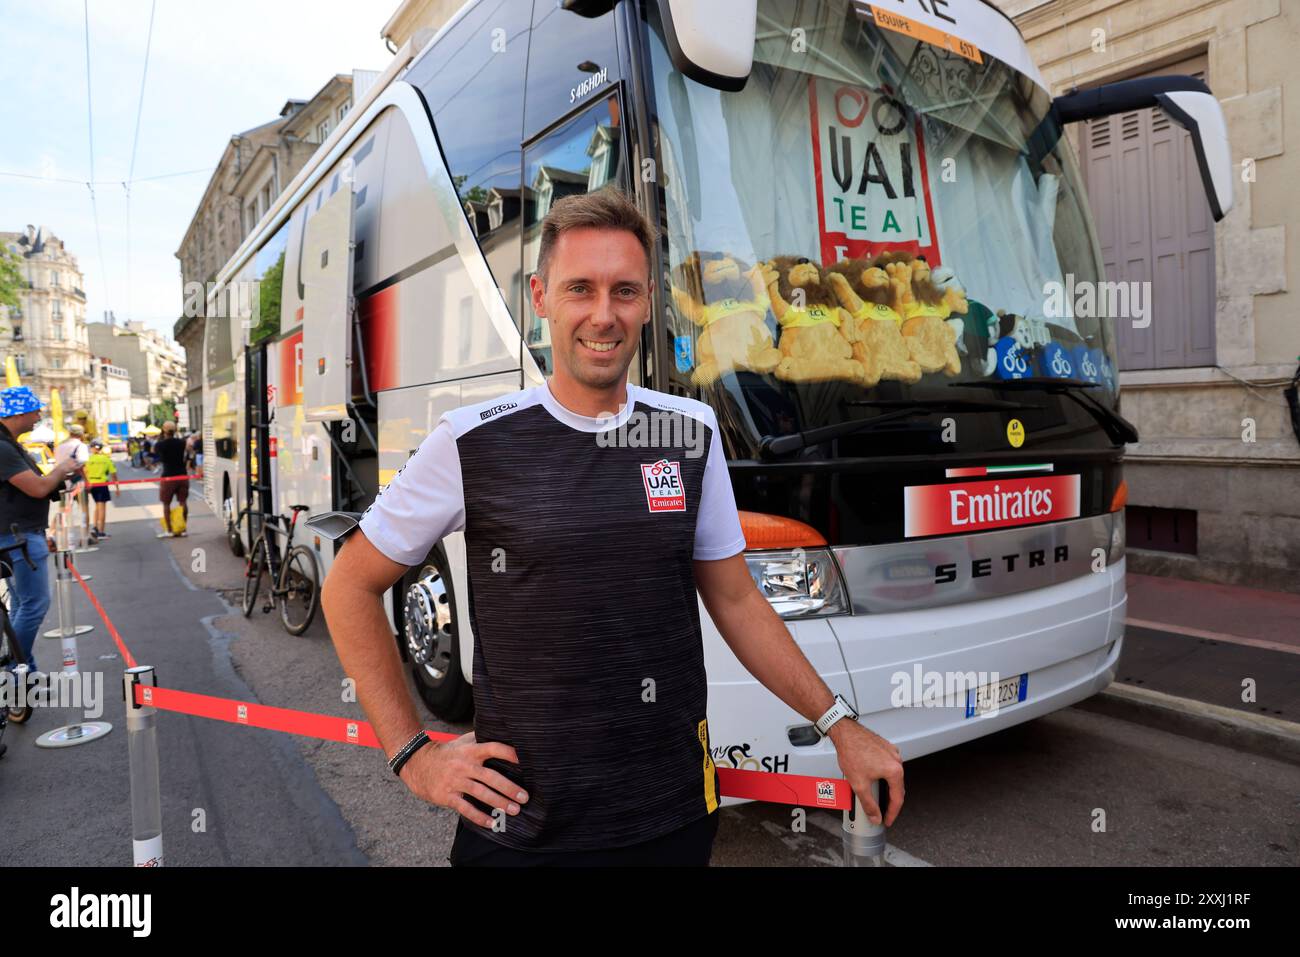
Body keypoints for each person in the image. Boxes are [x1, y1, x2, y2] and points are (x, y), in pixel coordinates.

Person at [321, 187, 904, 867]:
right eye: (580, 289)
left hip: (673, 820)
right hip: (521, 832)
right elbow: (349, 587)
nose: (604, 314)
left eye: (624, 291)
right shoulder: (471, 441)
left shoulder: (691, 432)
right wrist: (412, 752)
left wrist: (840, 724)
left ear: (649, 300)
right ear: (540, 297)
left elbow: (739, 601)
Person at [0, 386, 84, 676]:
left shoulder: (10, 444)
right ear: (16, 414)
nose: (38, 415)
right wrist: (61, 469)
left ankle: (26, 671)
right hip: (16, 537)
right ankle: (13, 672)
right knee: (34, 605)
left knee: (21, 606)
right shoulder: (3, 447)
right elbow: (37, 488)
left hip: (20, 534)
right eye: (34, 410)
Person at [153, 421, 189, 536]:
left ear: (164, 430)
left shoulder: (160, 444)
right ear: (175, 430)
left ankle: (169, 530)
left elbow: (153, 451)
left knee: (166, 504)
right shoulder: (182, 443)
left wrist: (160, 436)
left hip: (168, 477)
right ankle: (183, 529)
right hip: (182, 475)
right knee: (183, 502)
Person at [84, 439, 119, 539]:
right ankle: (101, 532)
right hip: (102, 484)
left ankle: (95, 527)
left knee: (97, 506)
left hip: (91, 485)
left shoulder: (88, 460)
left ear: (92, 448)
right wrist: (117, 487)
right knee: (102, 508)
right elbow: (113, 474)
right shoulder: (106, 459)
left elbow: (85, 472)